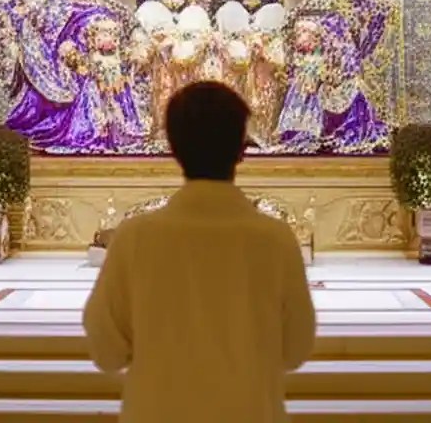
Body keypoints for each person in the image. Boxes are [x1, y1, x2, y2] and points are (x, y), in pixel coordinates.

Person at [82, 81, 317, 423]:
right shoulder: (275, 239)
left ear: (174, 149)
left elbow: (107, 351)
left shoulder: (135, 238)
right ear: (242, 149)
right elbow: (296, 348)